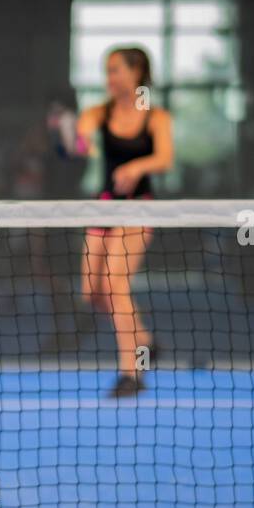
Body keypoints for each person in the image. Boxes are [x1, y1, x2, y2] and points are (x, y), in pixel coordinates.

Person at [64, 47, 173, 397]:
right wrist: (74, 139)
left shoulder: (155, 118)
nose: (109, 78)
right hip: (103, 208)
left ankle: (133, 372)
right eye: (106, 71)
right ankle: (145, 340)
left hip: (138, 210)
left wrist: (137, 166)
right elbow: (78, 142)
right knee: (92, 292)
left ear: (136, 72)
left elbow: (164, 158)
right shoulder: (99, 112)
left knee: (116, 285)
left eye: (115, 70)